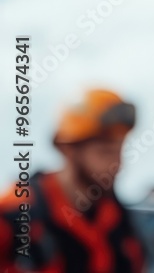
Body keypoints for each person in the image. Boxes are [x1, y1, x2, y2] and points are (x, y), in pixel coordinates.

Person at [0, 88, 145, 272]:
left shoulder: (117, 219)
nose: (117, 164)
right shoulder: (14, 211)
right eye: (105, 153)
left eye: (119, 151)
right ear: (67, 149)